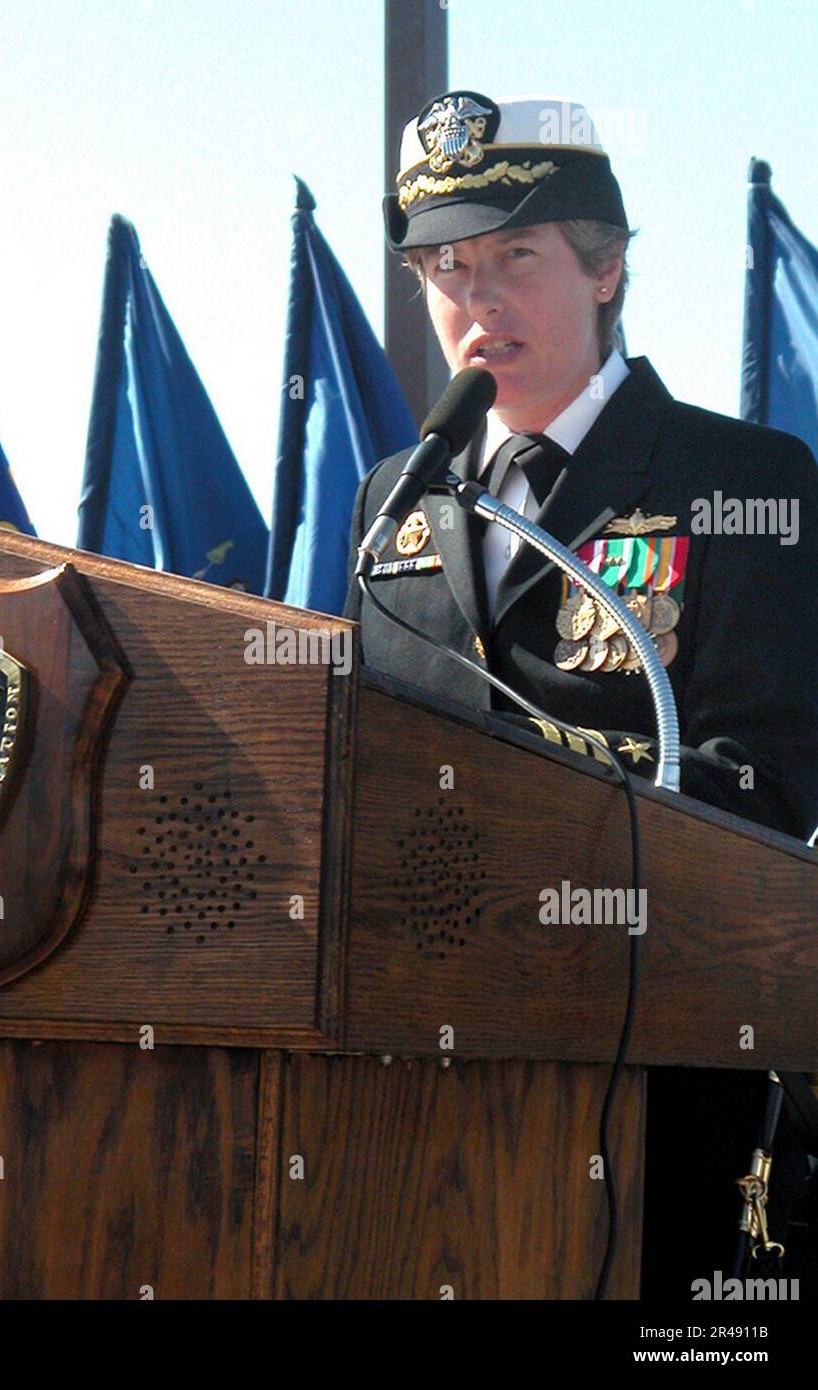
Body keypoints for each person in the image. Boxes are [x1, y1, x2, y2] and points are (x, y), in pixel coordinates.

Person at [346, 89, 818, 1298]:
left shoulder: (740, 479)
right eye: (445, 267)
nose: (476, 299)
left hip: (650, 1057)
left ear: (604, 272)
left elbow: (759, 781)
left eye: (515, 256)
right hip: (418, 1069)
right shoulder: (392, 504)